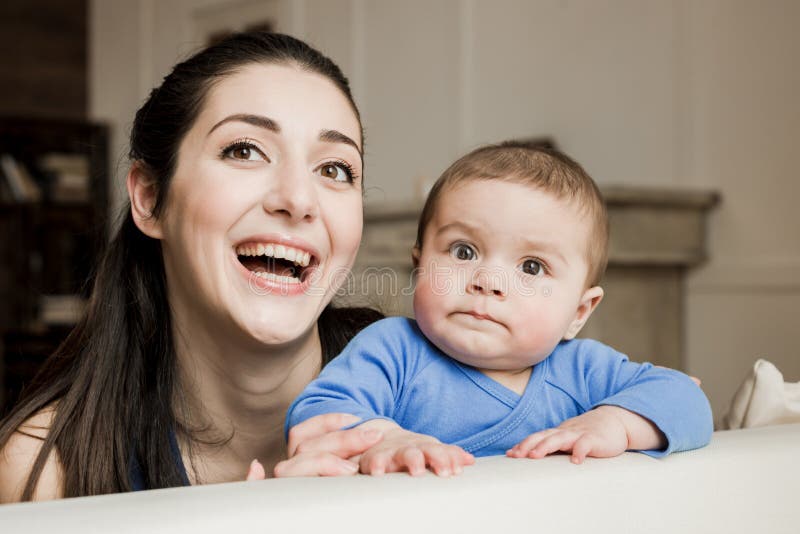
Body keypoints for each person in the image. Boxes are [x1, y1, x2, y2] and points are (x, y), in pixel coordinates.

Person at [0, 31, 388, 502]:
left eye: (334, 169)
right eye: (244, 150)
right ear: (149, 198)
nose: (299, 200)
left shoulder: (454, 405)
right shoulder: (44, 471)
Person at [287, 142, 714, 477]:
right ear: (419, 267)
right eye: (463, 250)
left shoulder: (582, 371)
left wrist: (615, 423)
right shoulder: (394, 350)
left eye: (532, 266)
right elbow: (316, 411)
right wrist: (382, 440)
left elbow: (688, 401)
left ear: (579, 312)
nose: (487, 280)